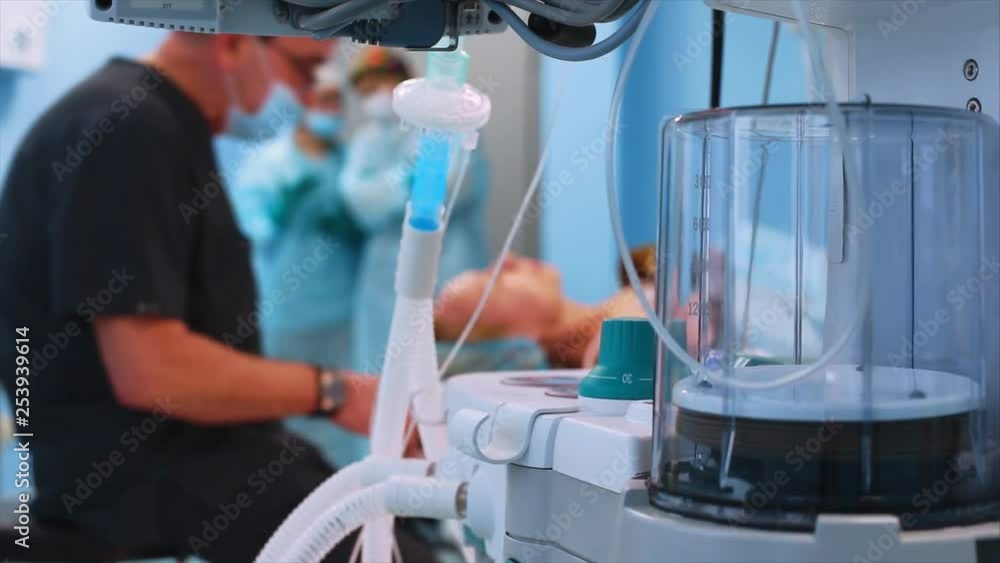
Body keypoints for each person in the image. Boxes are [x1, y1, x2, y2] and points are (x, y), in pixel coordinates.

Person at [0, 33, 428, 561]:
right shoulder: (128, 127)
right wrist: (337, 393)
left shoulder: (155, 122)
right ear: (232, 43)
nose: (313, 94)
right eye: (308, 69)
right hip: (157, 488)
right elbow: (150, 372)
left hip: (195, 470)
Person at [230, 60, 366, 467]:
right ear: (302, 100)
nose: (332, 110)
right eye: (323, 100)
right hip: (285, 314)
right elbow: (246, 232)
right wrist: (282, 209)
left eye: (337, 101)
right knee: (288, 427)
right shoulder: (270, 165)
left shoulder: (350, 162)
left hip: (343, 315)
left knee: (345, 421)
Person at [341, 47, 490, 376]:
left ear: (405, 83)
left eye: (381, 85)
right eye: (366, 91)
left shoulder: (450, 126)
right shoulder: (366, 141)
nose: (375, 97)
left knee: (451, 372)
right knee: (384, 373)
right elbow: (357, 201)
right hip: (384, 279)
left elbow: (452, 186)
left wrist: (391, 190)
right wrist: (406, 184)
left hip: (450, 266)